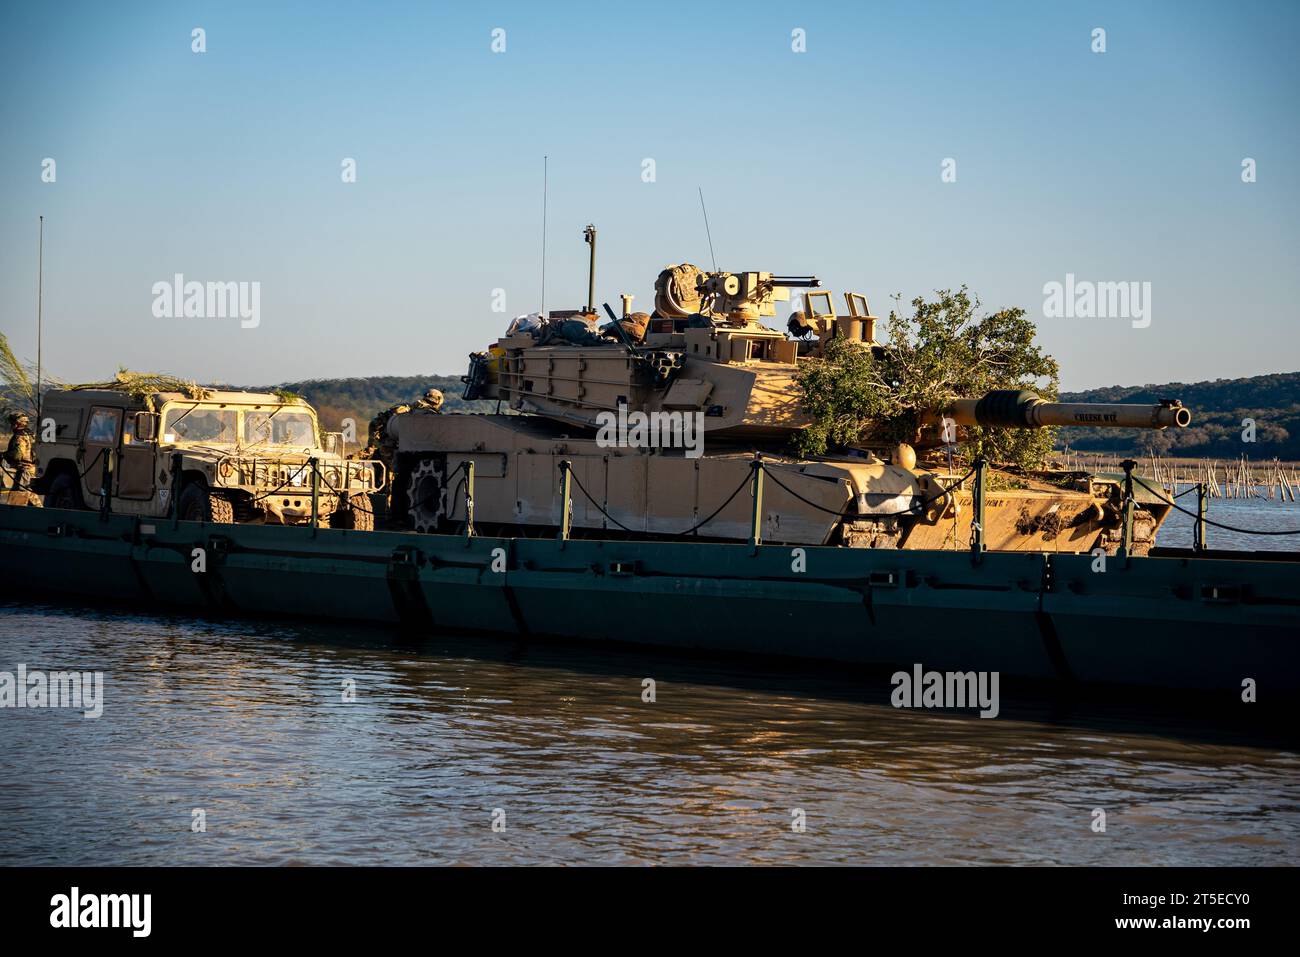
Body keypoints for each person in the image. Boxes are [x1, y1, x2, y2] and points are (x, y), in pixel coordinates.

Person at [3, 412, 36, 491]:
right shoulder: (31, 434)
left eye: (12, 423)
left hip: (24, 472)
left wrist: (4, 455)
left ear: (17, 423)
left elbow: (17, 455)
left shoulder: (20, 437)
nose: (11, 426)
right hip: (32, 470)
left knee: (18, 496)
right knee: (32, 498)